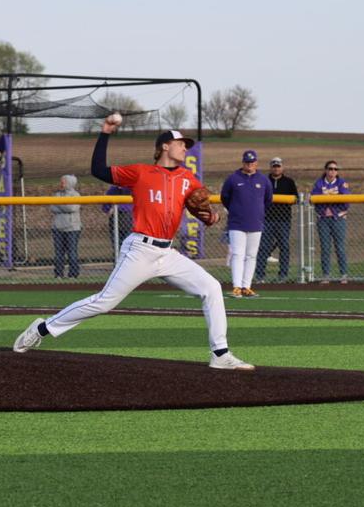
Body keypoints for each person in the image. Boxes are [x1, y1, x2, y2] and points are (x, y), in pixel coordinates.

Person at [14, 116, 253, 370]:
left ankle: (220, 354)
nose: (185, 147)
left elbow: (199, 206)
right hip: (140, 249)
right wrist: (105, 133)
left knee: (212, 288)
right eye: (180, 143)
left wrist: (209, 216)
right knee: (104, 302)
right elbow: (98, 171)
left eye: (186, 144)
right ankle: (42, 328)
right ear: (164, 147)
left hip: (167, 253)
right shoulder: (140, 172)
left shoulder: (188, 178)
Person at [220, 149, 271, 297]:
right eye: (247, 162)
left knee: (251, 255)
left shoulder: (263, 180)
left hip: (255, 223)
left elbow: (268, 199)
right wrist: (236, 210)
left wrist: (258, 212)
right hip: (237, 223)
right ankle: (237, 286)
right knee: (237, 254)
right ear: (243, 163)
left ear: (256, 163)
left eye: (252, 162)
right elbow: (225, 197)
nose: (250, 165)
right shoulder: (233, 178)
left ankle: (246, 286)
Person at [254, 157, 297, 285]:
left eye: (278, 166)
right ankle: (260, 275)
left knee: (284, 246)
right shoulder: (264, 180)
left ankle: (283, 275)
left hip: (283, 220)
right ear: (270, 167)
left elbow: (295, 198)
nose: (276, 168)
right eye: (274, 166)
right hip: (266, 219)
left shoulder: (289, 182)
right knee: (263, 248)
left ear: (282, 167)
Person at [310, 161, 351, 283]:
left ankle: (343, 274)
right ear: (325, 170)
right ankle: (326, 275)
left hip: (338, 218)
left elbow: (346, 200)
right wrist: (332, 197)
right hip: (323, 219)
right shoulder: (319, 183)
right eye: (330, 168)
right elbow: (315, 197)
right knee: (325, 248)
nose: (332, 171)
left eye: (335, 169)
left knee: (340, 247)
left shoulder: (342, 183)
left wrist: (329, 198)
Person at [50, 174, 82, 279]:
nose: (61, 184)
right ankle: (58, 274)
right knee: (59, 253)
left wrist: (59, 204)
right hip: (58, 228)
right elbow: (52, 208)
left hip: (72, 228)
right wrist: (64, 204)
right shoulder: (57, 194)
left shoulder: (76, 195)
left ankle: (73, 274)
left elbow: (72, 208)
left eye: (63, 182)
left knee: (72, 253)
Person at [102, 184, 133, 257]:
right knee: (117, 247)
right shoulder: (113, 189)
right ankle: (117, 264)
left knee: (128, 246)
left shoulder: (131, 188)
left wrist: (118, 207)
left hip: (129, 220)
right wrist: (109, 209)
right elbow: (105, 206)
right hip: (115, 221)